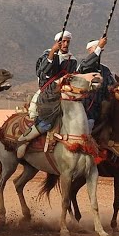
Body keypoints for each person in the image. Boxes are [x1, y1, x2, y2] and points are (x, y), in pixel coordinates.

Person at [14, 31, 97, 160]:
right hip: (48, 94)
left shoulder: (72, 59)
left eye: (68, 41)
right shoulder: (47, 55)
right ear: (57, 42)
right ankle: (24, 140)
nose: (65, 44)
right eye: (63, 41)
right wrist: (53, 52)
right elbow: (45, 73)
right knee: (47, 123)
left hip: (64, 94)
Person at [79, 38, 113, 132]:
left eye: (101, 49)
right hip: (84, 109)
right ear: (89, 50)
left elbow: (111, 87)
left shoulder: (105, 70)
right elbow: (86, 65)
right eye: (97, 48)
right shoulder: (83, 65)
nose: (100, 51)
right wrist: (100, 47)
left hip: (100, 109)